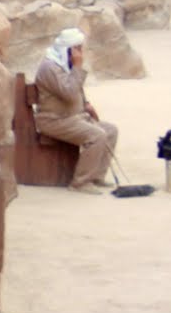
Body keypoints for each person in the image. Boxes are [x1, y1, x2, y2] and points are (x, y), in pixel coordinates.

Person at [33, 27, 120, 195]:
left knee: (110, 130)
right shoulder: (50, 68)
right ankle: (80, 182)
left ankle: (96, 176)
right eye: (77, 49)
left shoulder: (65, 65)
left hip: (73, 117)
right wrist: (78, 67)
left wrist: (86, 104)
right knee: (96, 136)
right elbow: (69, 93)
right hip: (54, 120)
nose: (80, 53)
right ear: (68, 50)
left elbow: (75, 91)